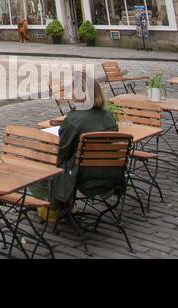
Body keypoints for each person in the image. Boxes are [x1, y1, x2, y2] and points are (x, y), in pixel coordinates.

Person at [35, 78, 120, 215]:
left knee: (37, 167)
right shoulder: (108, 116)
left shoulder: (74, 119)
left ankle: (50, 208)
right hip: (108, 170)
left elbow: (62, 153)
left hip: (80, 174)